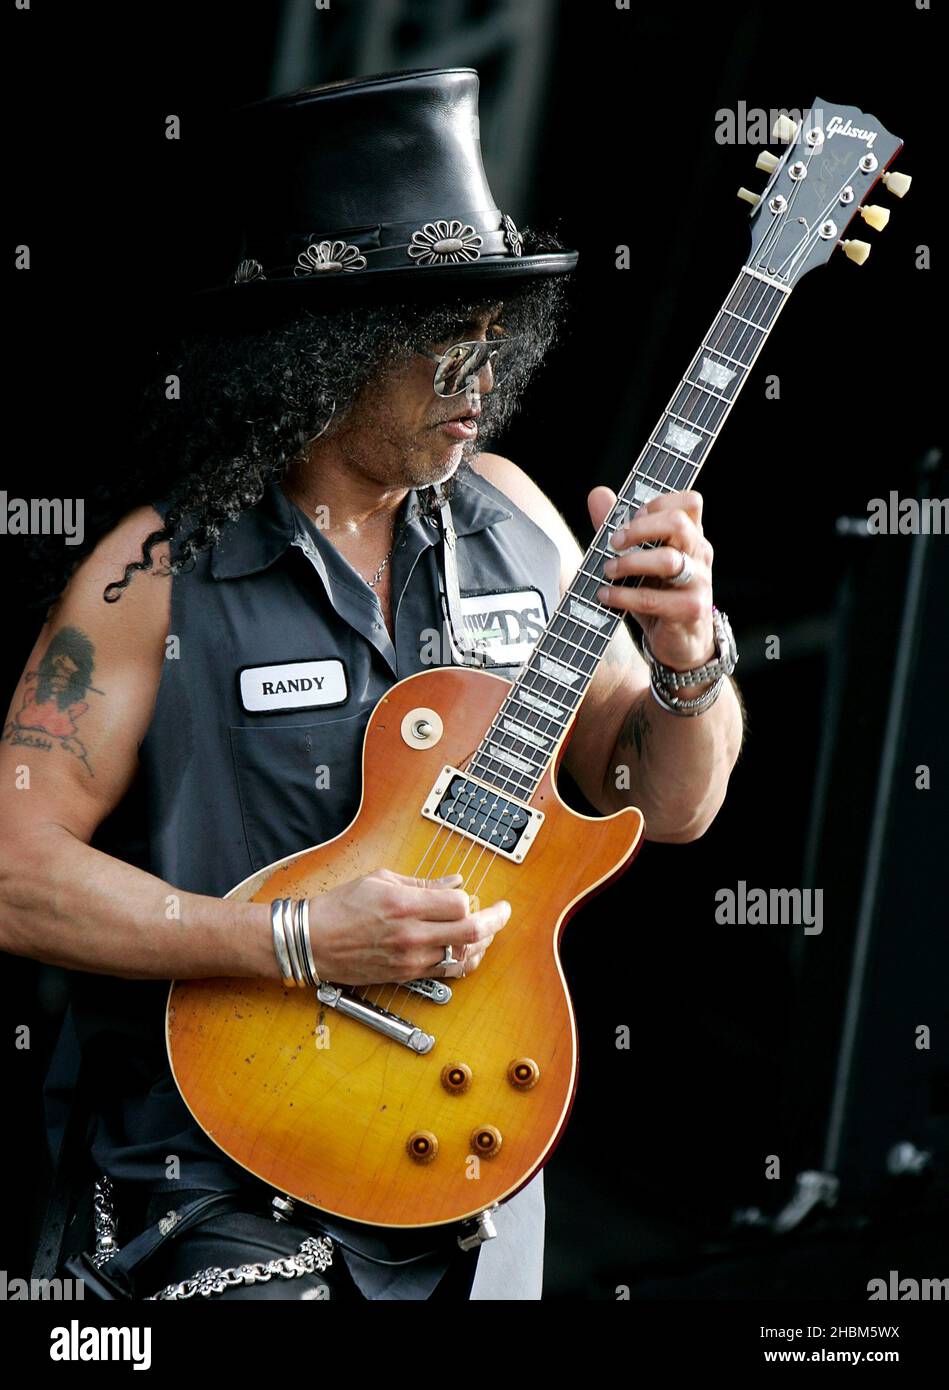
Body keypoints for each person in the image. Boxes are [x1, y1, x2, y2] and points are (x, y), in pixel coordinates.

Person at [0, 69, 744, 1300]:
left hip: (470, 1146)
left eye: (492, 328)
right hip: (219, 1171)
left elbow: (664, 803)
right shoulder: (151, 575)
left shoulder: (519, 519)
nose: (478, 371)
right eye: (437, 332)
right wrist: (289, 939)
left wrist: (689, 660)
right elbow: (15, 871)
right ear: (323, 343)